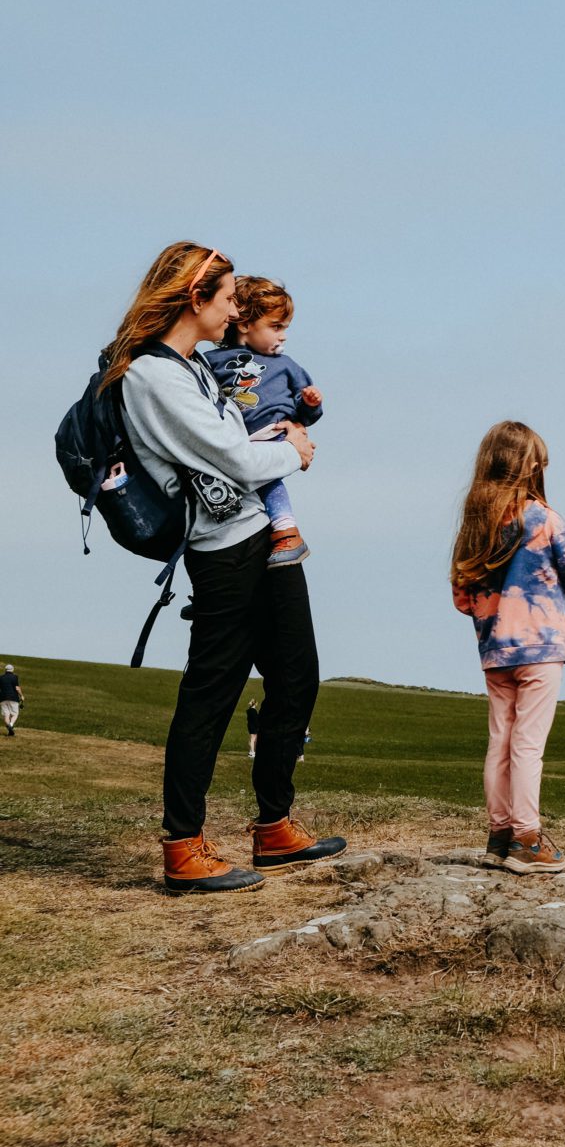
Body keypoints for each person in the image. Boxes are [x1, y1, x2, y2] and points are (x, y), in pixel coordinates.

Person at [105, 242, 346, 893]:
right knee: (210, 697)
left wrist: (275, 438)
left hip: (264, 536)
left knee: (298, 676)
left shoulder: (193, 368)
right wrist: (294, 451)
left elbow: (235, 445)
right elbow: (233, 463)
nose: (238, 308)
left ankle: (274, 825)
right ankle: (183, 845)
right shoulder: (152, 378)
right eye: (231, 297)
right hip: (222, 553)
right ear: (197, 299)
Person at [450, 421, 565, 874]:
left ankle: (500, 834)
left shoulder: (474, 523)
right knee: (529, 745)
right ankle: (528, 841)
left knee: (501, 743)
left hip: (494, 650)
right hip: (541, 647)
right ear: (526, 464)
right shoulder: (544, 518)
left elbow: (461, 596)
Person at [205, 277, 321, 567]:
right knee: (224, 501)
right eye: (276, 327)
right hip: (236, 441)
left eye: (285, 328)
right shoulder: (211, 361)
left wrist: (309, 404)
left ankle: (287, 530)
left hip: (272, 433)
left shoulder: (286, 366)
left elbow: (304, 417)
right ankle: (226, 569)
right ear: (245, 325)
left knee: (268, 481)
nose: (283, 336)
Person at [1, 663, 22, 737]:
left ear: (5, 670)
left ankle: (9, 728)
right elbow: (17, 688)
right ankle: (11, 725)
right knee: (15, 714)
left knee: (6, 715)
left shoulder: (1, 677)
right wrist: (21, 696)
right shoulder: (15, 677)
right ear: (12, 670)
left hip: (3, 698)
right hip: (13, 698)